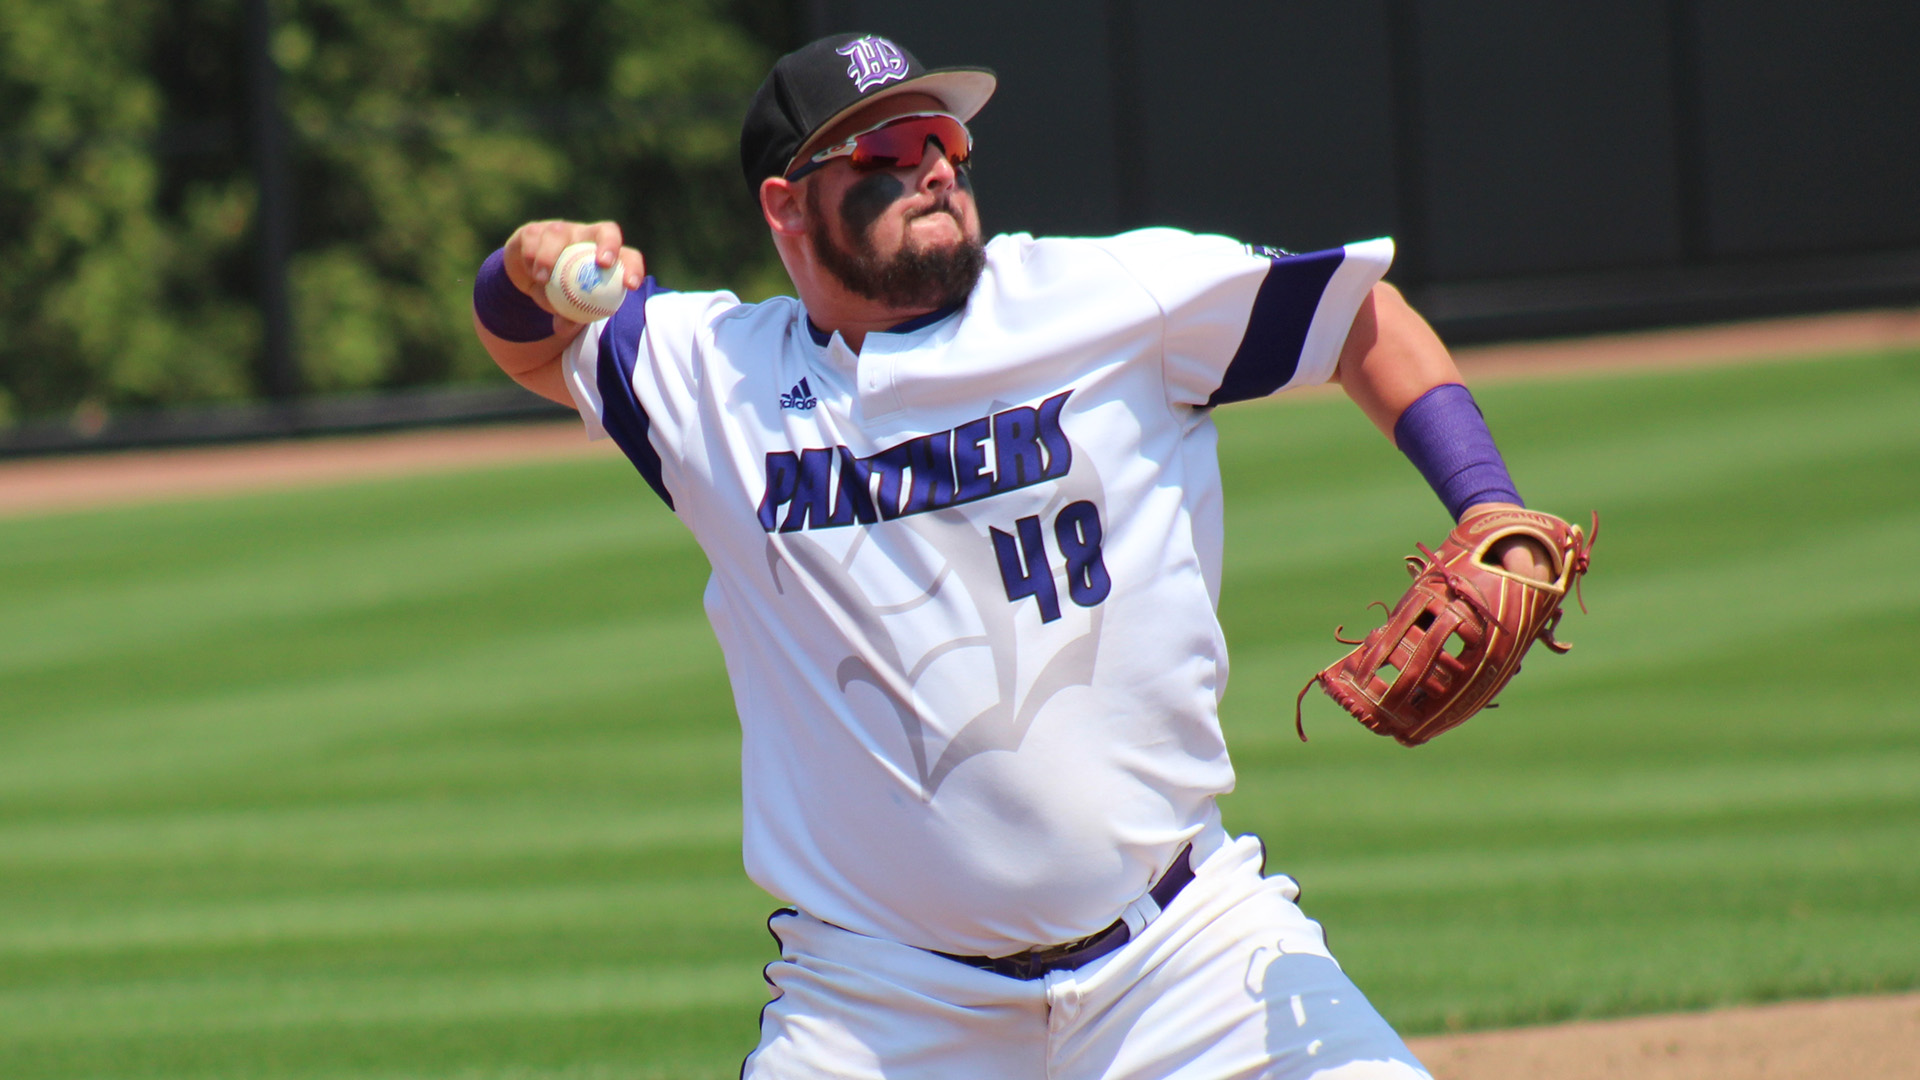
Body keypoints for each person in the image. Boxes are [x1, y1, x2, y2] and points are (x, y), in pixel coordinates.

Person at [472, 32, 1551, 1080]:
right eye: (887, 154)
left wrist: (1488, 504)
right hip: (881, 1008)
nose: (935, 167)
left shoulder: (1106, 300)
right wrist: (525, 265)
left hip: (1186, 961)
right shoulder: (712, 377)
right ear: (786, 205)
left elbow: (1364, 317)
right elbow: (533, 338)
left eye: (943, 139)